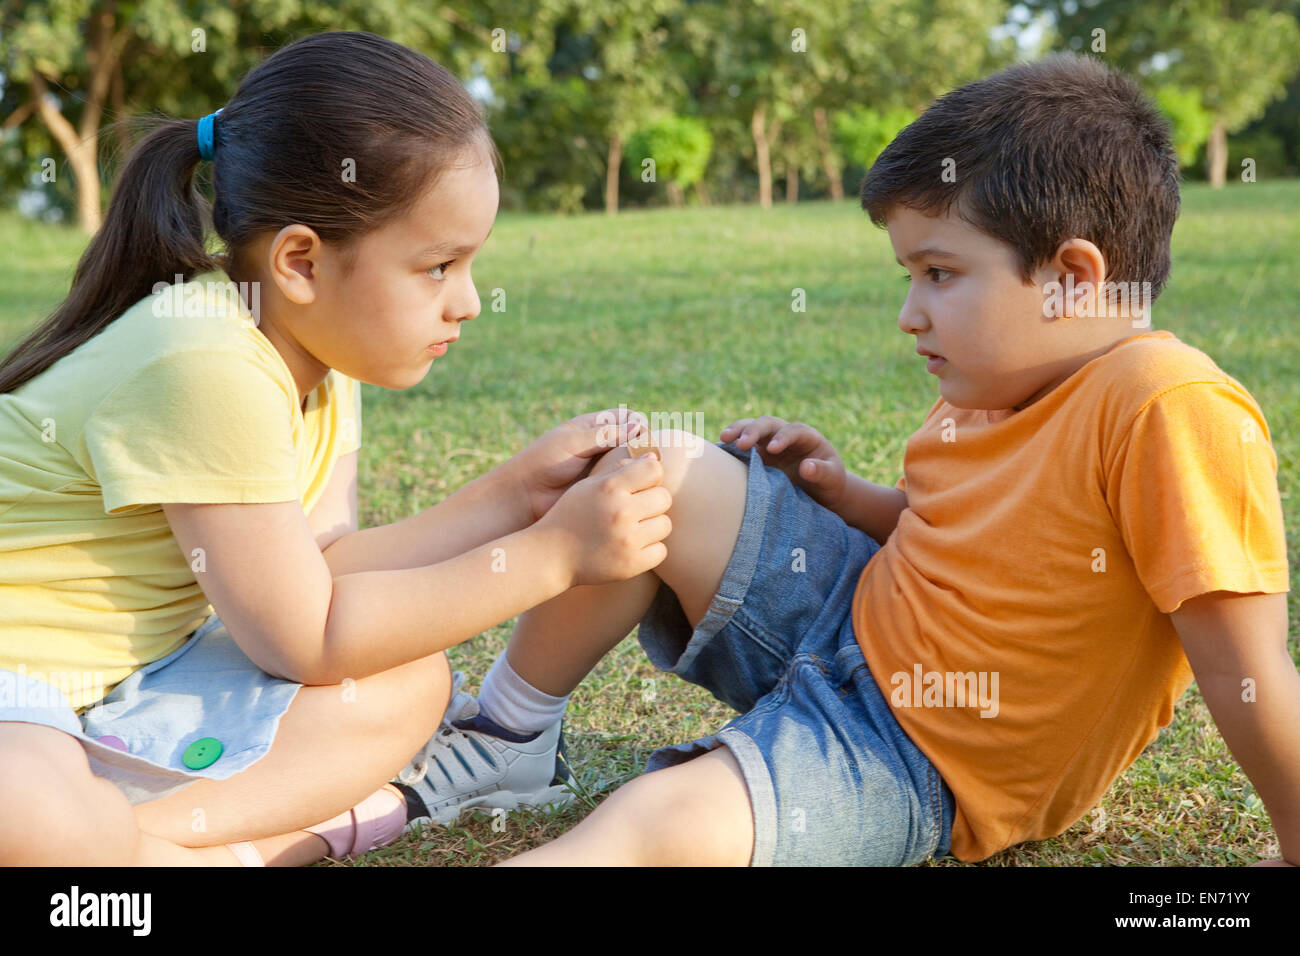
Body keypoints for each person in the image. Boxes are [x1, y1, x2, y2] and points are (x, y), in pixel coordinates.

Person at [413, 52, 1297, 866]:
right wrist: (841, 496)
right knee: (651, 470)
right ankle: (510, 735)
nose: (910, 313)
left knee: (657, 823)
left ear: (1072, 276)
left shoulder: (1169, 406)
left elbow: (1246, 669)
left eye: (939, 275)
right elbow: (943, 532)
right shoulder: (1003, 376)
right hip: (849, 614)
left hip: (921, 754)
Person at [0, 30, 669, 866]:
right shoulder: (203, 356)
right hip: (17, 690)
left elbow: (324, 569)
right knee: (31, 813)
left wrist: (513, 498)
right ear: (302, 263)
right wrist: (553, 556)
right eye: (438, 265)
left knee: (407, 683)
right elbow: (305, 638)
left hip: (121, 689)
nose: (467, 302)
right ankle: (170, 847)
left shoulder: (318, 353)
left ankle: (143, 845)